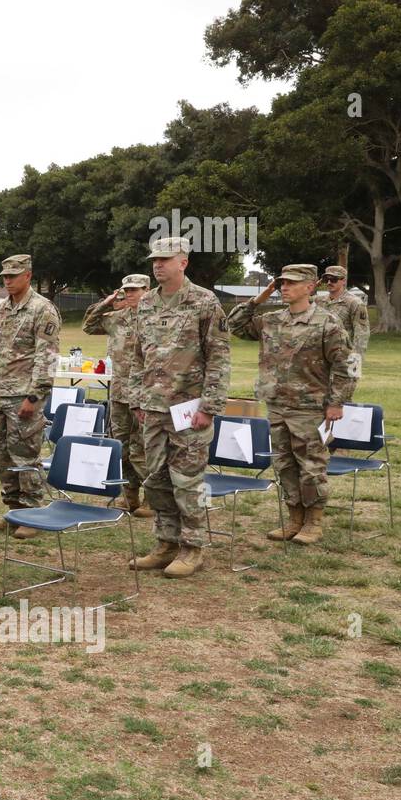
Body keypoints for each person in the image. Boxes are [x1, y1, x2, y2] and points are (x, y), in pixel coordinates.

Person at [228, 264, 354, 546]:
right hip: (277, 404)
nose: (285, 287)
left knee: (311, 466)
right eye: (282, 283)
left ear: (310, 287)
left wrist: (337, 402)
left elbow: (346, 366)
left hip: (310, 407)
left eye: (292, 283)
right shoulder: (272, 320)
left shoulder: (327, 323)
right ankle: (295, 518)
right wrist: (261, 296)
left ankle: (314, 521)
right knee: (284, 464)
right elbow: (234, 324)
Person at [129, 236, 231, 578]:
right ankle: (166, 543)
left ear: (183, 262)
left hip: (190, 409)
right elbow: (137, 356)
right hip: (153, 408)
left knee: (188, 482)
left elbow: (219, 357)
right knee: (156, 480)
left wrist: (210, 405)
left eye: (165, 259)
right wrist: (136, 399)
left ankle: (193, 546)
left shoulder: (204, 301)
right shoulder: (145, 303)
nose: (158, 264)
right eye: (154, 260)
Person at [0, 255, 61, 538]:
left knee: (26, 456)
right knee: (2, 456)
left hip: (24, 395)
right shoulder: (0, 308)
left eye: (13, 275)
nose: (8, 280)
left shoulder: (42, 309)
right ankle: (14, 510)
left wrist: (35, 396)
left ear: (28, 276)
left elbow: (47, 355)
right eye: (5, 276)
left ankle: (32, 514)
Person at [83, 274, 154, 517]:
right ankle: (129, 495)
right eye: (126, 289)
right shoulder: (117, 318)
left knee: (144, 449)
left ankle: (153, 499)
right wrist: (107, 302)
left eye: (135, 289)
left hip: (147, 395)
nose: (130, 293)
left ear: (147, 289)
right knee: (121, 447)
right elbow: (89, 326)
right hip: (120, 392)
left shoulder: (157, 318)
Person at [320, 266, 369, 377]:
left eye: (333, 279)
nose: (329, 282)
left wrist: (356, 359)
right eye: (326, 279)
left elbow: (362, 333)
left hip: (344, 356)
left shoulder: (354, 302)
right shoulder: (319, 301)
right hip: (320, 356)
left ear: (343, 280)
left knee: (343, 392)